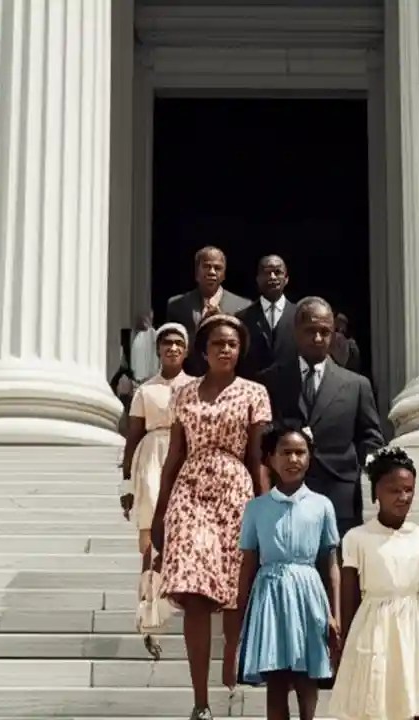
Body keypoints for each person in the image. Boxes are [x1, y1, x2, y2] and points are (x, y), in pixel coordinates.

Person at [151, 313, 271, 720]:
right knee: (193, 589)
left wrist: (267, 508)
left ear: (240, 351)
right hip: (190, 491)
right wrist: (159, 512)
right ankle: (200, 700)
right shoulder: (183, 394)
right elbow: (173, 457)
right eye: (217, 343)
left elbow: (258, 458)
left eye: (232, 344)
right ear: (203, 350)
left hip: (235, 488)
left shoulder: (255, 392)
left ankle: (232, 663)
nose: (225, 349)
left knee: (235, 586)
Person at [327, 445, 419, 720]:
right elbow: (349, 600)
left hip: (415, 633)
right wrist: (344, 648)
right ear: (376, 491)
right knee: (377, 707)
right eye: (394, 490)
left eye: (409, 490)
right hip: (373, 631)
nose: (404, 497)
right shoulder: (356, 538)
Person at [236, 422, 341, 720]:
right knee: (277, 679)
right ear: (270, 457)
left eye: (300, 452)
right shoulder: (256, 508)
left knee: (308, 676)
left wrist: (335, 614)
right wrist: (240, 610)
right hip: (269, 595)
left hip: (309, 595)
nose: (293, 459)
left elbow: (331, 565)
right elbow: (248, 562)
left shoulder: (322, 505)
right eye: (285, 452)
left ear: (310, 457)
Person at [258, 297, 384, 540]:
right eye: (310, 331)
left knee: (336, 573)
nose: (318, 338)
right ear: (296, 332)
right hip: (285, 494)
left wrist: (372, 466)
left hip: (340, 497)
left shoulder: (356, 385)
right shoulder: (270, 381)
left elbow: (370, 438)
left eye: (325, 332)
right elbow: (262, 437)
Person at [119, 323, 192, 658]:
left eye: (179, 343)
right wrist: (125, 483)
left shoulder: (196, 388)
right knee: (151, 540)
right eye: (166, 344)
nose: (173, 348)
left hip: (186, 464)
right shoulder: (144, 390)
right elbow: (132, 438)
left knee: (183, 537)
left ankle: (180, 603)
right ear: (158, 350)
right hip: (151, 460)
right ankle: (149, 617)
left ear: (186, 350)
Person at [165, 246, 252, 376]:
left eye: (217, 268)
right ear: (196, 272)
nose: (212, 272)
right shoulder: (177, 305)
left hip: (228, 382)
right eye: (206, 266)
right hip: (190, 380)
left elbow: (245, 352)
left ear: (224, 274)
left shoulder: (242, 307)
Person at [237, 255, 296, 379]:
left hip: (291, 391)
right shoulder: (242, 318)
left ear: (286, 279)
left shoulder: (299, 316)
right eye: (267, 273)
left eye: (277, 272)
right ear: (258, 279)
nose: (272, 277)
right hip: (253, 391)